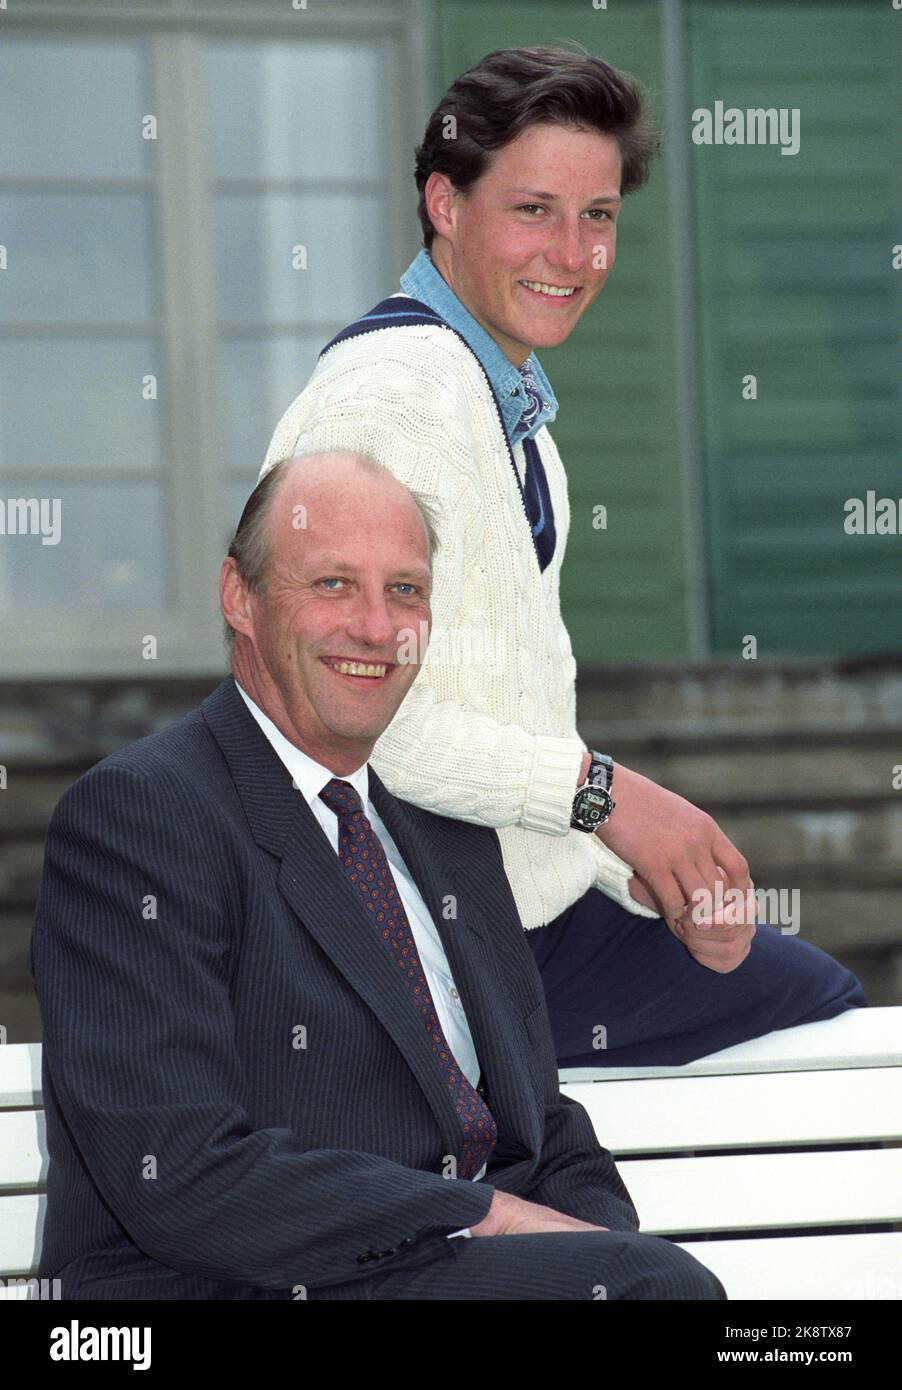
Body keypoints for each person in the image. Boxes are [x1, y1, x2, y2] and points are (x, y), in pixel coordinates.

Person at [259, 46, 866, 1069]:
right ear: (443, 205)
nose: (575, 253)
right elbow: (354, 715)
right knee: (818, 1012)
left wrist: (645, 882)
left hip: (506, 928)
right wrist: (609, 796)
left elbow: (507, 730)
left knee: (794, 1005)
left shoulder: (511, 411)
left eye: (598, 217)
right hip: (402, 955)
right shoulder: (388, 403)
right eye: (533, 209)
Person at [28, 453, 725, 1300]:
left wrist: (594, 1258)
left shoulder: (449, 835)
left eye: (406, 591)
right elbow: (180, 1173)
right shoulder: (140, 819)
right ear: (238, 598)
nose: (374, 626)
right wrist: (486, 1217)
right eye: (331, 584)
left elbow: (547, 1130)